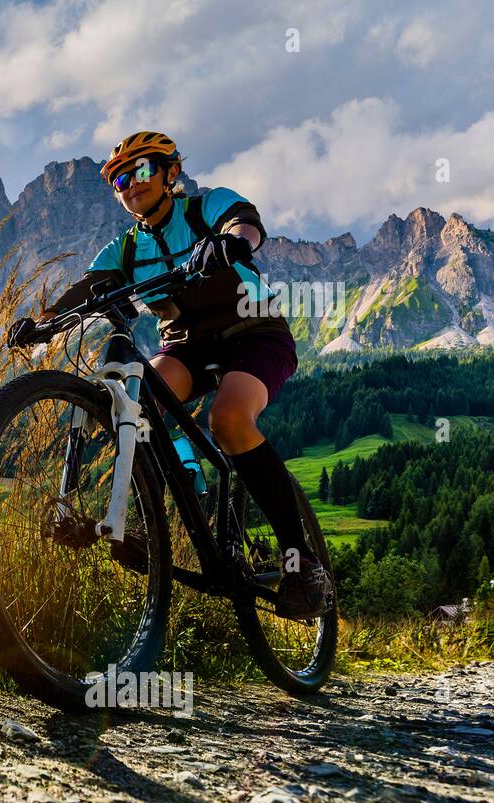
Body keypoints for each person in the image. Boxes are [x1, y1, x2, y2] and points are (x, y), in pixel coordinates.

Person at [16, 131, 332, 619]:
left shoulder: (203, 208)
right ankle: (147, 523)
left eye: (142, 170)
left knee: (228, 419)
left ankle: (302, 561)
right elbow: (87, 290)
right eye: (120, 179)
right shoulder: (124, 249)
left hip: (254, 333)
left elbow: (246, 224)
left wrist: (229, 244)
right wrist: (42, 325)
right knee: (138, 409)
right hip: (185, 345)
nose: (130, 184)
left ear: (170, 173)